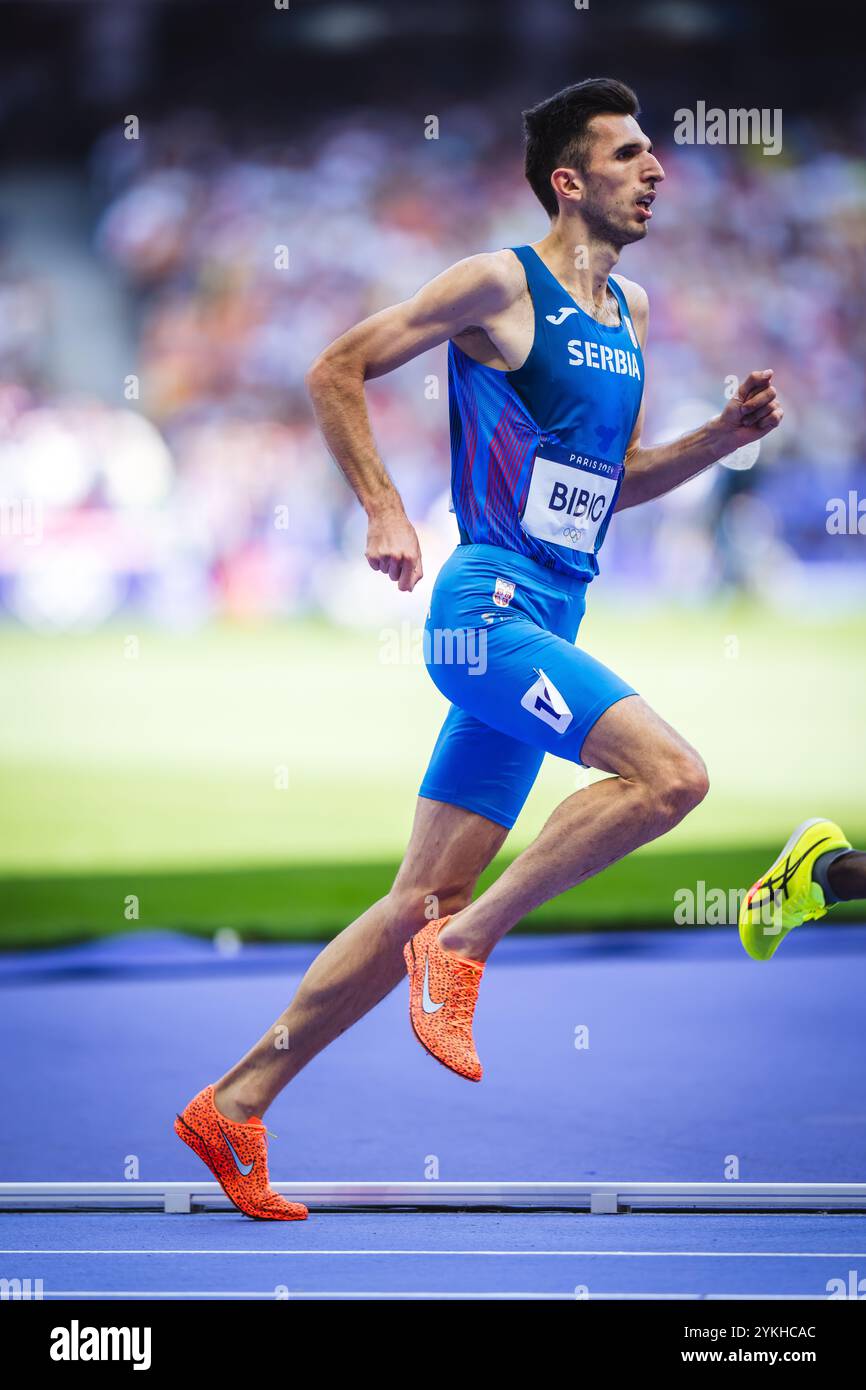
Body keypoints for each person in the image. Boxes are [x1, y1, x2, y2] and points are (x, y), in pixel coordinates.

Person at [174, 77, 829, 1222]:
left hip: (550, 614)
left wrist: (717, 439)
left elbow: (603, 488)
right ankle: (467, 948)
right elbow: (335, 364)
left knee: (415, 896)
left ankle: (236, 1099)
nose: (657, 169)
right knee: (669, 777)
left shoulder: (623, 317)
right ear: (567, 181)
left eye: (655, 154)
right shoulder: (497, 281)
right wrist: (382, 505)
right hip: (486, 610)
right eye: (628, 154)